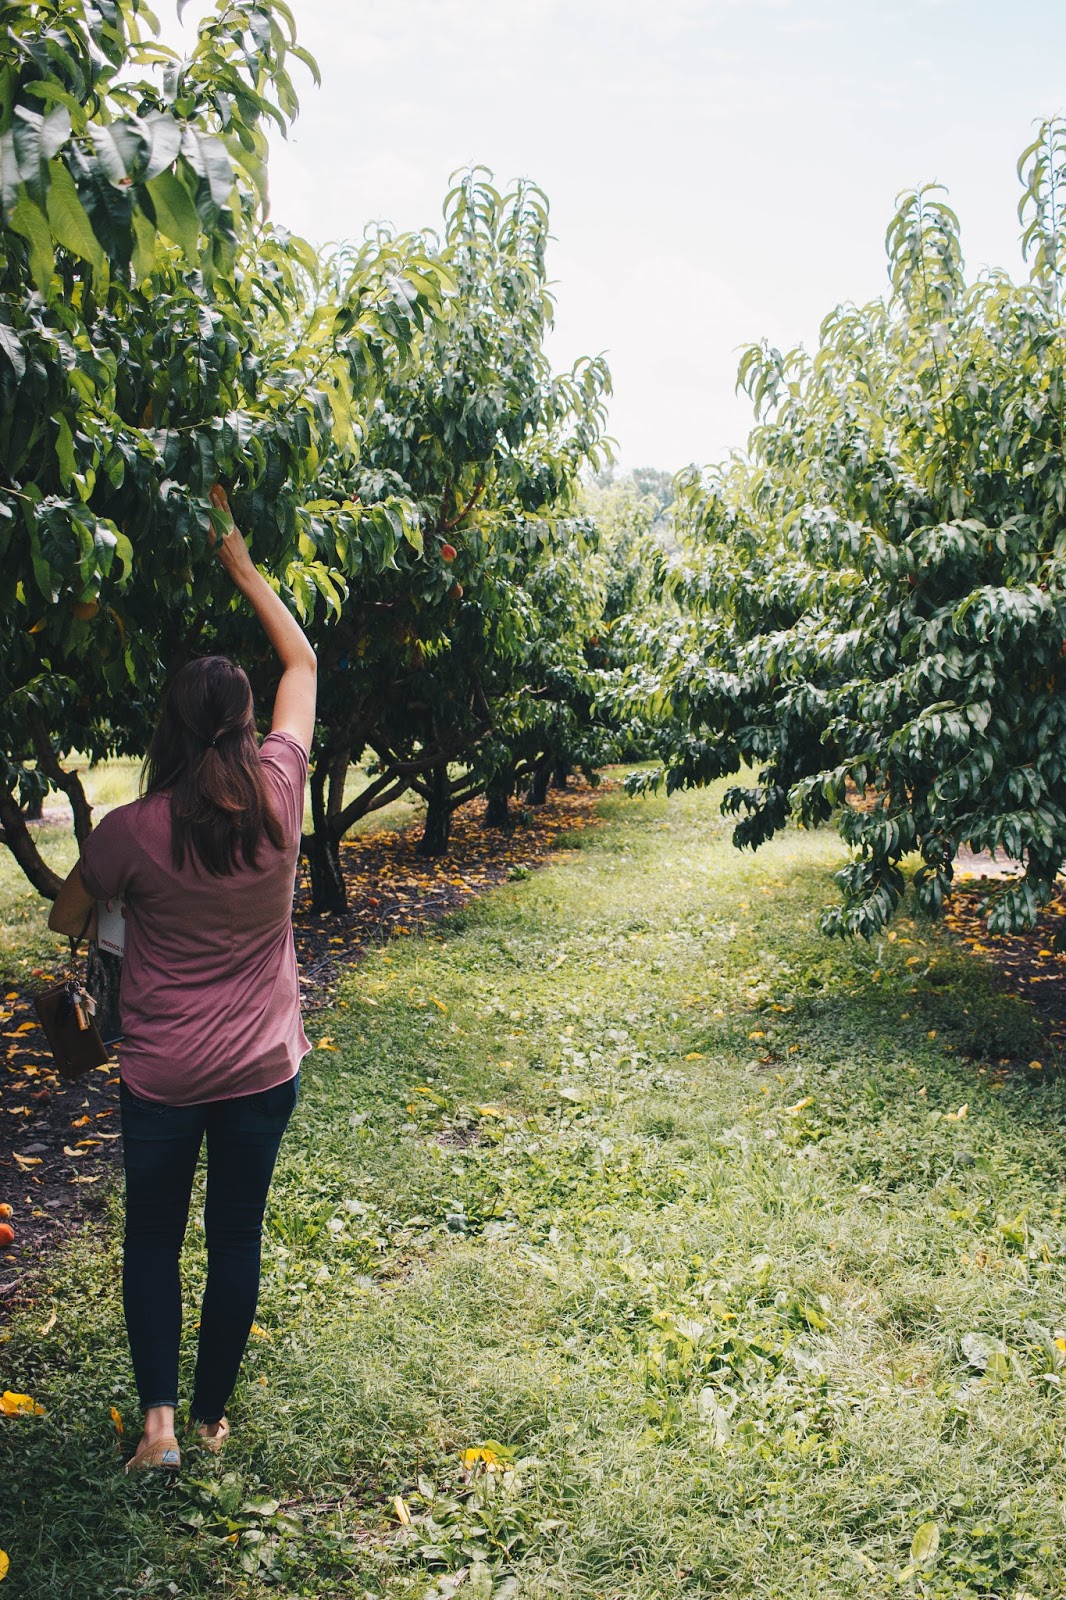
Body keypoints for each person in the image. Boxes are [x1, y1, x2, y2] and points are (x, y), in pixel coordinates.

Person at [48, 485, 316, 1472]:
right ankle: (210, 1417)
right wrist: (241, 565)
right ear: (247, 724)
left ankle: (158, 1427)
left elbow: (65, 915)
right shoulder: (282, 795)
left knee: (154, 1237)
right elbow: (302, 660)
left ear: (167, 724)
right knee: (234, 1234)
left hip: (160, 1075)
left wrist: (116, 899)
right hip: (260, 1068)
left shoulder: (129, 832)